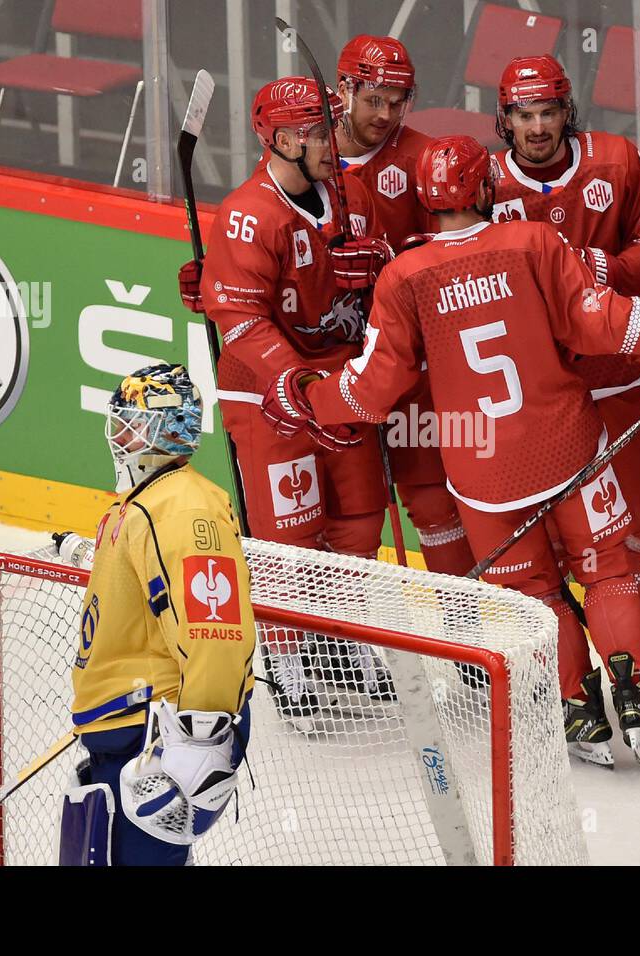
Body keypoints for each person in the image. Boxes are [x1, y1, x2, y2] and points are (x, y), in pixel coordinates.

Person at [260, 136, 640, 769]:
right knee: (607, 568)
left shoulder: (404, 276)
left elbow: (371, 393)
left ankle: (579, 708)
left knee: (539, 593)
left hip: (483, 470)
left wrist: (304, 395)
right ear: (483, 189)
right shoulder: (533, 242)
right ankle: (632, 691)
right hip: (568, 446)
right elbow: (602, 323)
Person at [490, 54, 640, 714]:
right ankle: (567, 683)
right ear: (504, 121)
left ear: (569, 112)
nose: (537, 127)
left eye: (548, 112)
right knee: (554, 544)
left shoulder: (615, 160)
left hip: (616, 380)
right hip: (538, 394)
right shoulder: (485, 182)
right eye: (523, 115)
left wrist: (606, 270)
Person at [181, 76, 395, 715]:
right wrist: (294, 380)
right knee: (289, 535)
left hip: (340, 384)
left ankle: (337, 642)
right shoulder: (249, 213)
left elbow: (387, 272)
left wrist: (373, 269)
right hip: (270, 396)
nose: (336, 140)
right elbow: (241, 320)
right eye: (319, 131)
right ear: (279, 139)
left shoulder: (350, 193)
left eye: (333, 126)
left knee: (359, 519)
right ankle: (283, 650)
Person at [64, 363, 256, 865]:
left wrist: (203, 738)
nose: (119, 434)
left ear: (160, 432)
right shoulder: (143, 504)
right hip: (123, 730)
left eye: (129, 422)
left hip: (163, 734)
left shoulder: (185, 507)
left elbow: (216, 628)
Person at [332, 35, 474, 576]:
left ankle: (461, 639)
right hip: (330, 357)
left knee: (433, 503)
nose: (386, 114)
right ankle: (344, 644)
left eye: (398, 101)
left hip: (410, 363)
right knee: (348, 509)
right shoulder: (307, 148)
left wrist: (393, 261)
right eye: (374, 100)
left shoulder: (423, 159)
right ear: (344, 90)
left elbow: (461, 252)